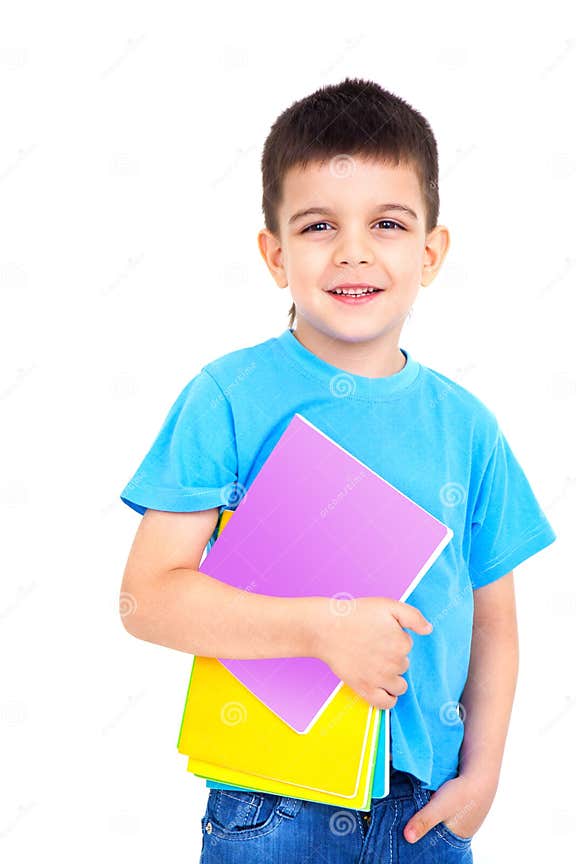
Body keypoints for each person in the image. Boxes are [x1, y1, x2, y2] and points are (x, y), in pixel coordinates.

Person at [118, 77, 557, 863]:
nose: (354, 250)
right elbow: (147, 599)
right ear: (275, 255)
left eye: (387, 224)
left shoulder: (469, 427)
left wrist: (484, 774)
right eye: (319, 225)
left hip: (429, 806)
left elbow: (495, 620)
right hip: (274, 798)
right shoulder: (228, 397)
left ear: (430, 251)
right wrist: (320, 629)